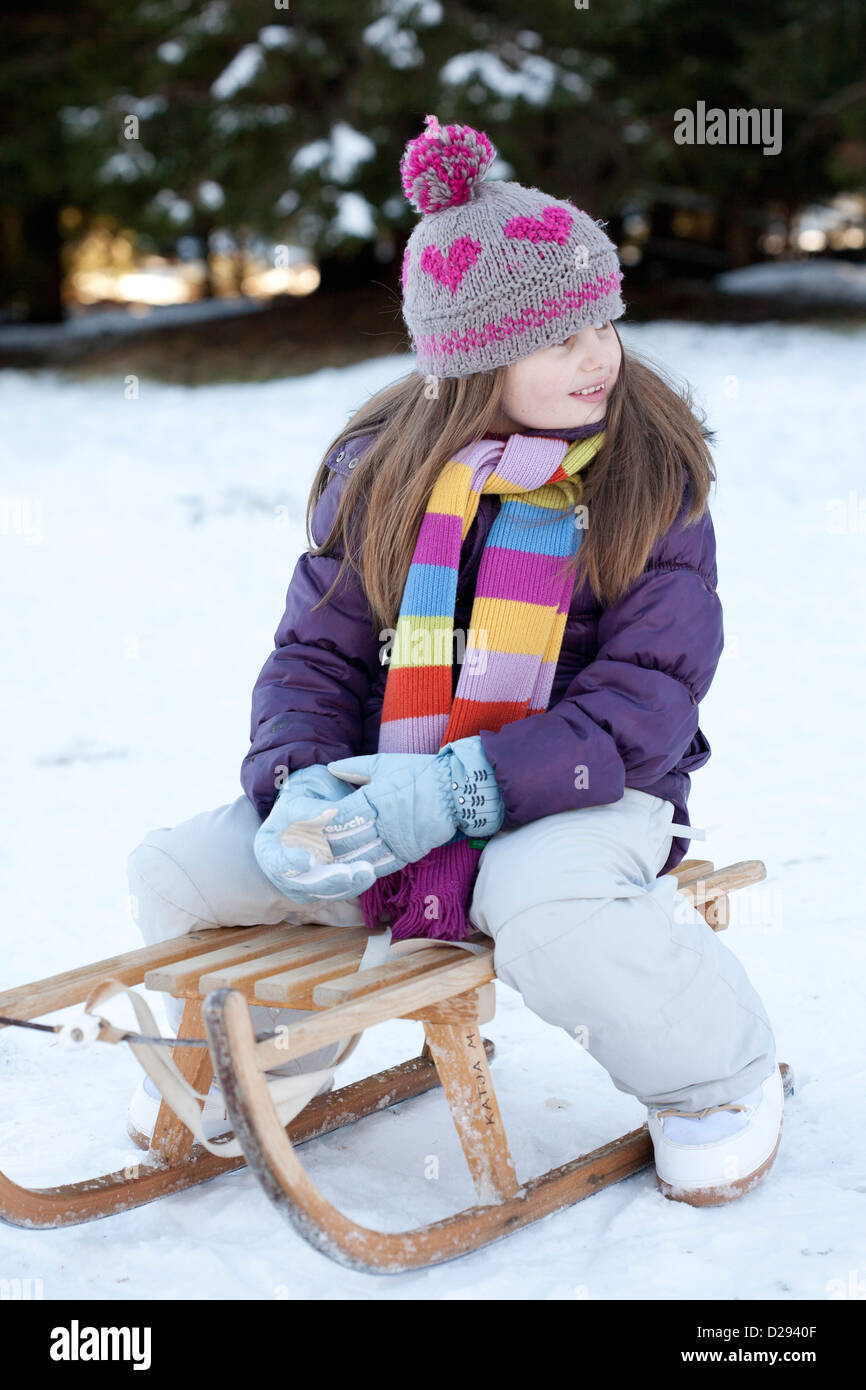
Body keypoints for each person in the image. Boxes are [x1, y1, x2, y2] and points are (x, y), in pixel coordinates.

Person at [127, 114, 782, 1203]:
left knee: (541, 897)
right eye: (558, 336)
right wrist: (298, 786)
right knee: (180, 868)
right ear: (471, 361)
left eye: (603, 322)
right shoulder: (381, 479)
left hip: (586, 792)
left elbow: (645, 707)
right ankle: (282, 1050)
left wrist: (466, 787)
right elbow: (315, 658)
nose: (597, 356)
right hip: (394, 781)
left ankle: (715, 1075)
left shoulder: (646, 482)